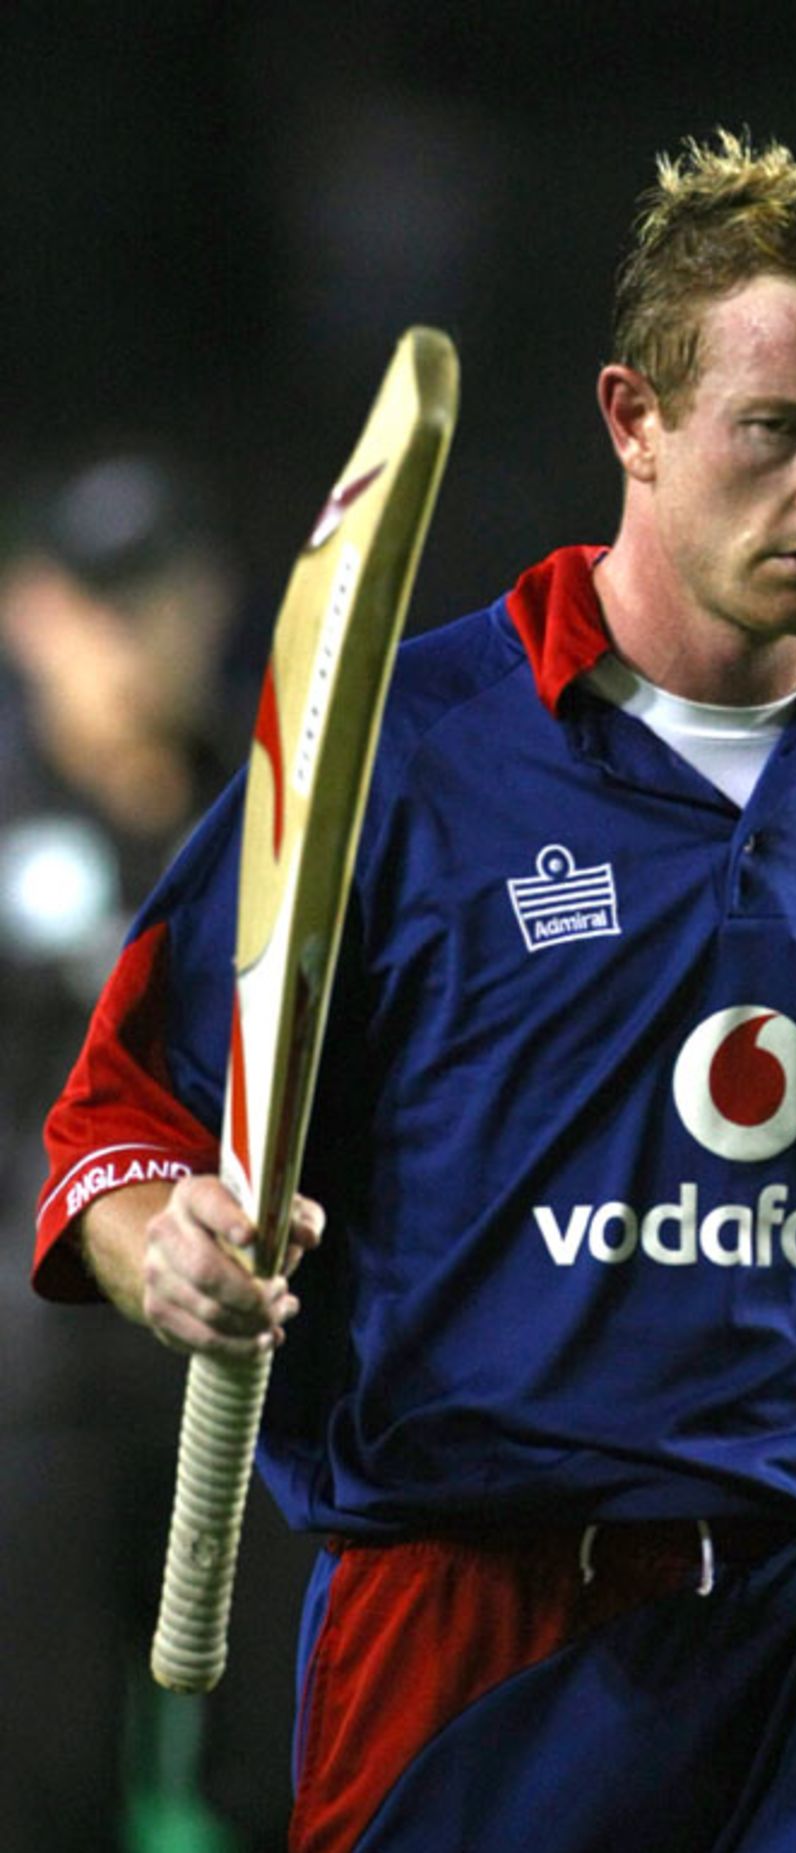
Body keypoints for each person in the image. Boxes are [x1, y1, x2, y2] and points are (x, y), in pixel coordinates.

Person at [32, 133, 796, 1851]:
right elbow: (121, 1124)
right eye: (778, 432)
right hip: (483, 1609)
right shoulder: (394, 748)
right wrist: (162, 1237)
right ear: (634, 419)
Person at [2, 453, 309, 1851]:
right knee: (47, 1786)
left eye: (166, 594)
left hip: (244, 1394)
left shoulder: (267, 832)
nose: (141, 631)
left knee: (283, 1783)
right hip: (34, 1398)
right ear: (31, 613)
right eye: (103, 600)